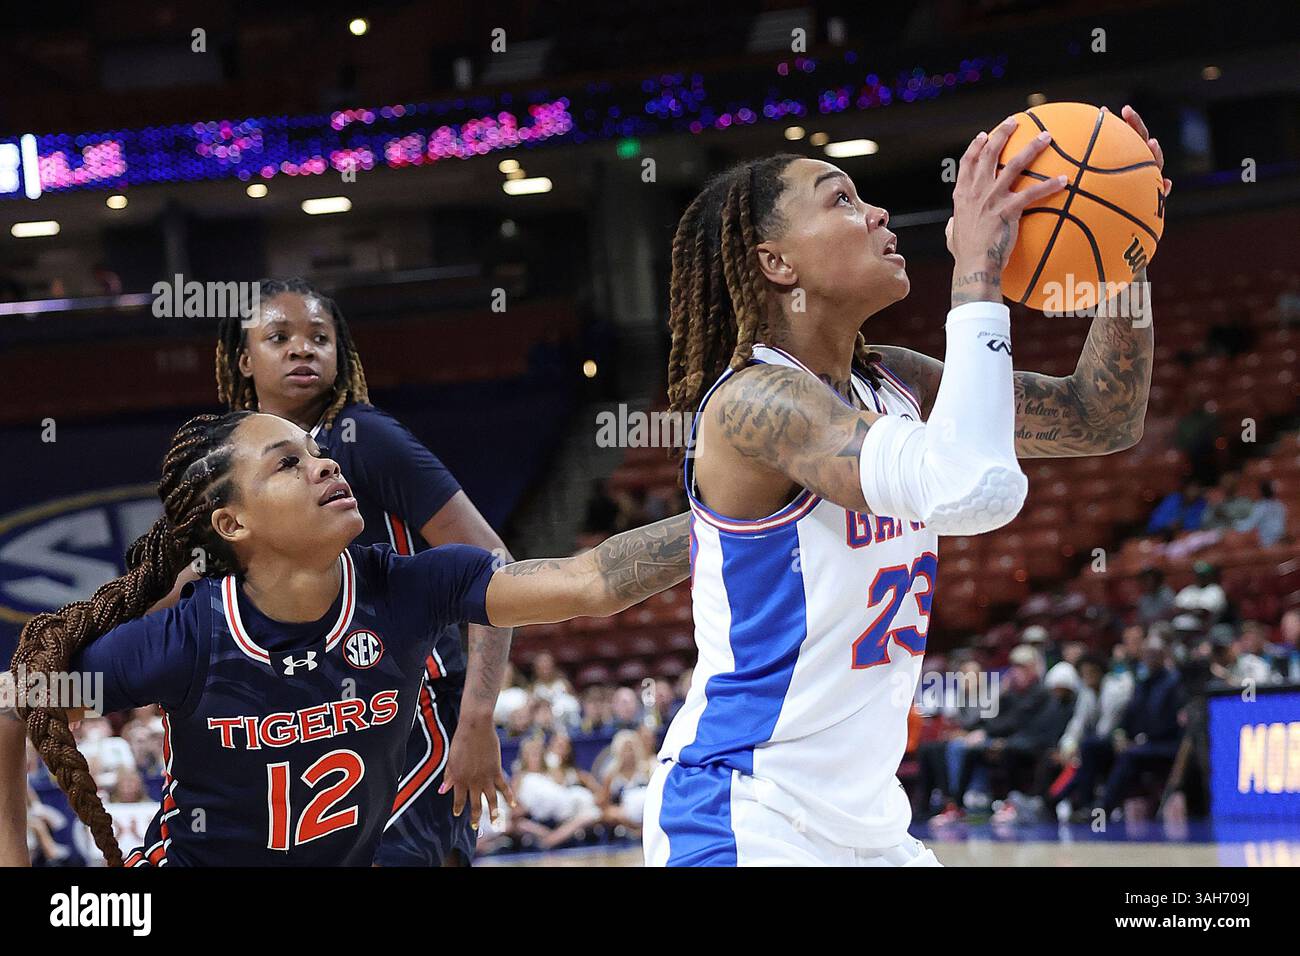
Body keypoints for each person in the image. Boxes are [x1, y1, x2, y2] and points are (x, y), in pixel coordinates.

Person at [643, 106, 1168, 866]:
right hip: (742, 814)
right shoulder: (754, 404)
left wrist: (1125, 249)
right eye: (842, 200)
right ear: (775, 263)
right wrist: (978, 273)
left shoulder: (895, 378)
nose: (878, 211)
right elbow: (965, 488)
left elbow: (1102, 415)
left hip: (872, 829)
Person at [8, 411, 690, 866]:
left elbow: (589, 582)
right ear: (232, 526)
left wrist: (739, 516)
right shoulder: (191, 637)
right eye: (287, 465)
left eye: (320, 454)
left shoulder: (410, 589)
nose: (326, 467)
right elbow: (16, 701)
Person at [212, 278, 515, 866]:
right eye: (280, 337)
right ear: (244, 360)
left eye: (319, 338)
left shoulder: (364, 436)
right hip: (313, 716)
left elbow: (493, 564)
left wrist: (478, 720)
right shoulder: (237, 470)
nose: (303, 349)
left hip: (415, 707)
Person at [1235, 480, 1288, 547]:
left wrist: (1234, 524)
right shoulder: (1280, 505)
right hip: (1274, 542)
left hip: (1270, 543)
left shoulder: (1261, 506)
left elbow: (1246, 526)